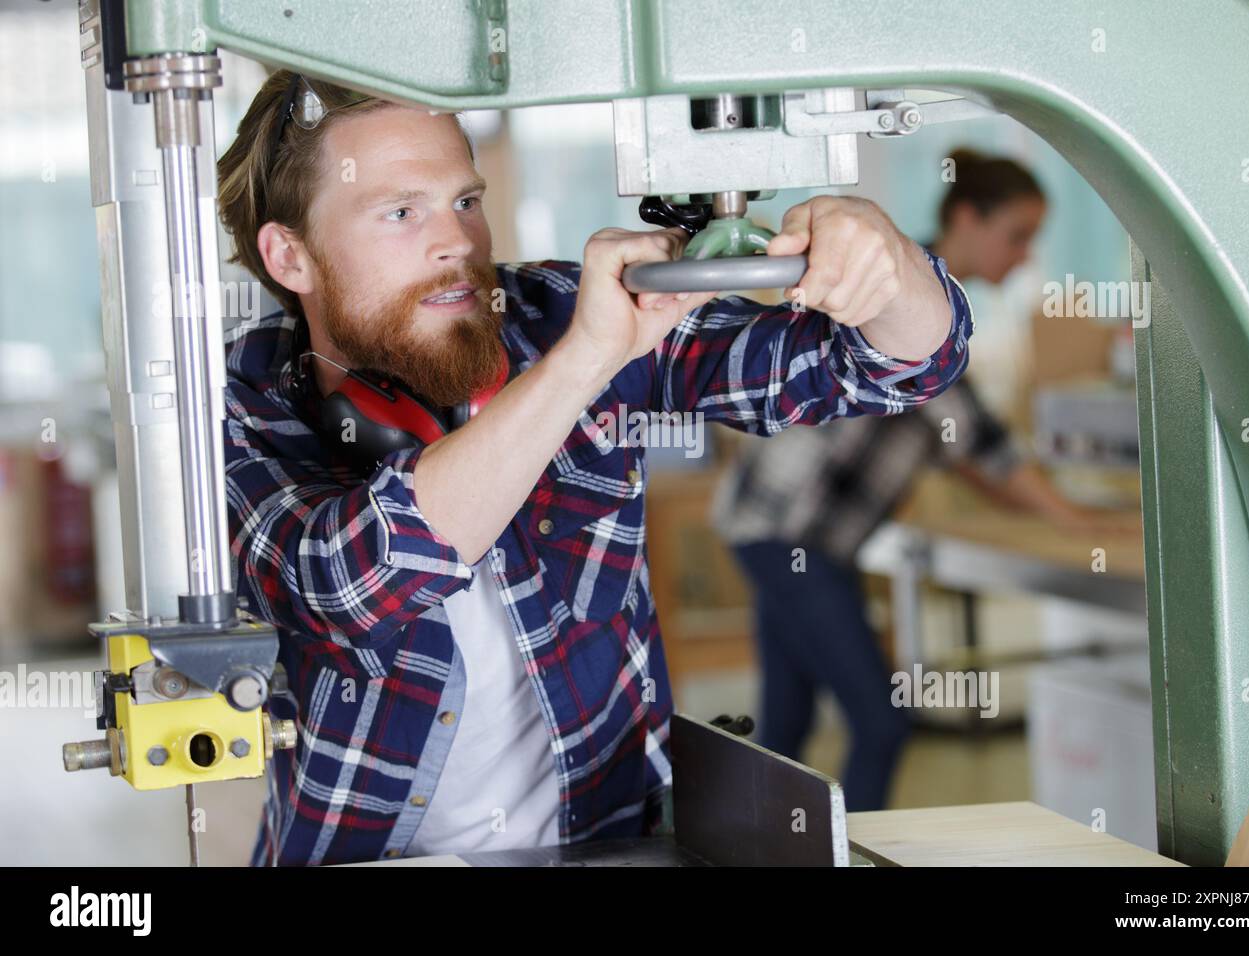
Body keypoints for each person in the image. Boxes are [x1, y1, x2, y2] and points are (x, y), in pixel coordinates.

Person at [216, 70, 973, 865]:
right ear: (290, 256)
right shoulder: (241, 398)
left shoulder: (553, 313)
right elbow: (349, 585)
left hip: (610, 850)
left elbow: (897, 366)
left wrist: (885, 264)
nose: (459, 245)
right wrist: (582, 363)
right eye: (401, 212)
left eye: (465, 202)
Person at [712, 149, 1121, 812]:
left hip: (784, 532)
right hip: (787, 532)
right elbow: (982, 447)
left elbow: (963, 444)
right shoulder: (908, 298)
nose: (1023, 256)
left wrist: (1063, 511)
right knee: (880, 723)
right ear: (967, 218)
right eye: (1016, 235)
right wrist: (1076, 520)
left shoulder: (923, 292)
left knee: (786, 729)